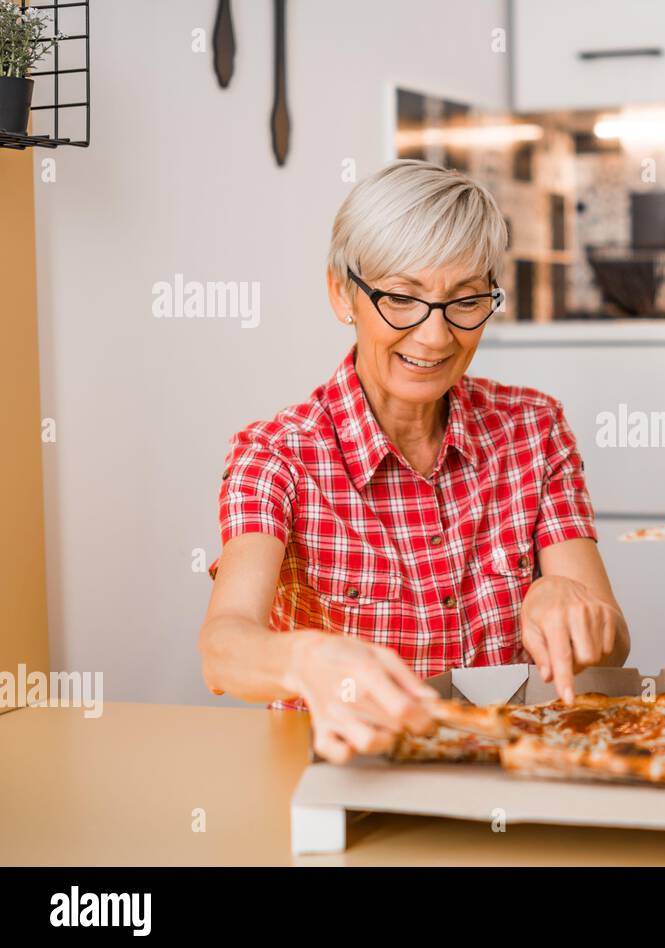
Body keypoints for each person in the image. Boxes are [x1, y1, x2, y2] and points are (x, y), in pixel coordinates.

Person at [199, 160, 629, 763]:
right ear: (341, 293)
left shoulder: (534, 428)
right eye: (402, 298)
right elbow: (223, 650)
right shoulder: (277, 454)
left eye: (465, 301)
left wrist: (567, 599)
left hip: (509, 784)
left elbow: (612, 645)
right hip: (349, 782)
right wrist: (307, 659)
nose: (434, 337)